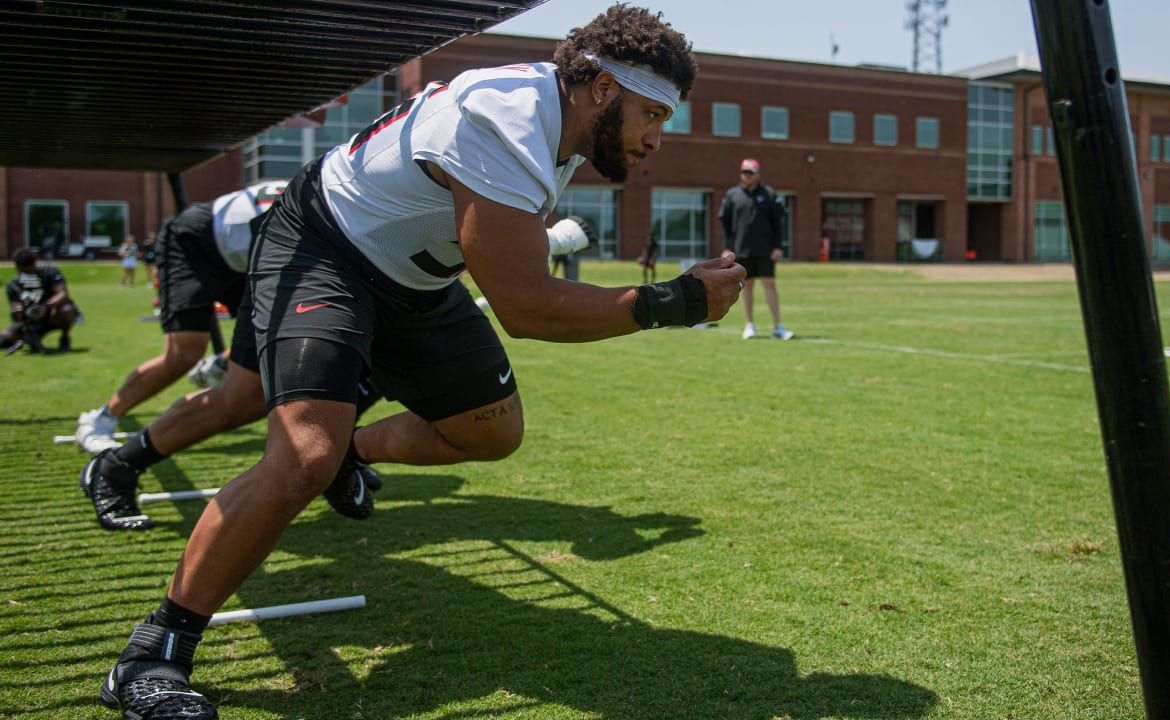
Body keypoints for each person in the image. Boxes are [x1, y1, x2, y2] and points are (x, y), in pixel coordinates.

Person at [94, 7, 743, 719]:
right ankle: (155, 651)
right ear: (600, 87)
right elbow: (525, 306)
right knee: (301, 455)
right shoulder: (509, 117)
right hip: (327, 251)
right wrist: (676, 301)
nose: (655, 138)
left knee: (490, 431)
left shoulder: (555, 117)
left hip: (415, 279)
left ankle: (353, 450)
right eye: (652, 114)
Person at [78, 281, 386, 531]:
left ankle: (343, 455)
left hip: (387, 274)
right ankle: (116, 467)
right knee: (241, 398)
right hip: (309, 262)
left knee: (396, 364)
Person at [74, 181, 288, 455]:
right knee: (184, 353)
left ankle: (221, 362)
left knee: (281, 332)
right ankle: (101, 418)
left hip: (246, 254)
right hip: (196, 240)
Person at [719, 158, 794, 340]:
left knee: (770, 284)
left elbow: (778, 223)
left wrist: (778, 246)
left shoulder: (769, 194)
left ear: (758, 174)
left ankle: (778, 326)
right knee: (748, 285)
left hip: (765, 249)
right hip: (742, 249)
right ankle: (749, 325)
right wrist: (725, 247)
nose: (747, 176)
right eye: (744, 172)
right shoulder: (732, 195)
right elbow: (725, 224)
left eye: (750, 173)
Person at [2, 249, 80, 354]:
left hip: (52, 315)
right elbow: (16, 316)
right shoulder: (13, 285)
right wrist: (19, 313)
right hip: (30, 320)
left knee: (67, 310)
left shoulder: (50, 272)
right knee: (3, 340)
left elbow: (63, 294)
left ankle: (65, 338)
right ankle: (31, 338)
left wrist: (45, 306)